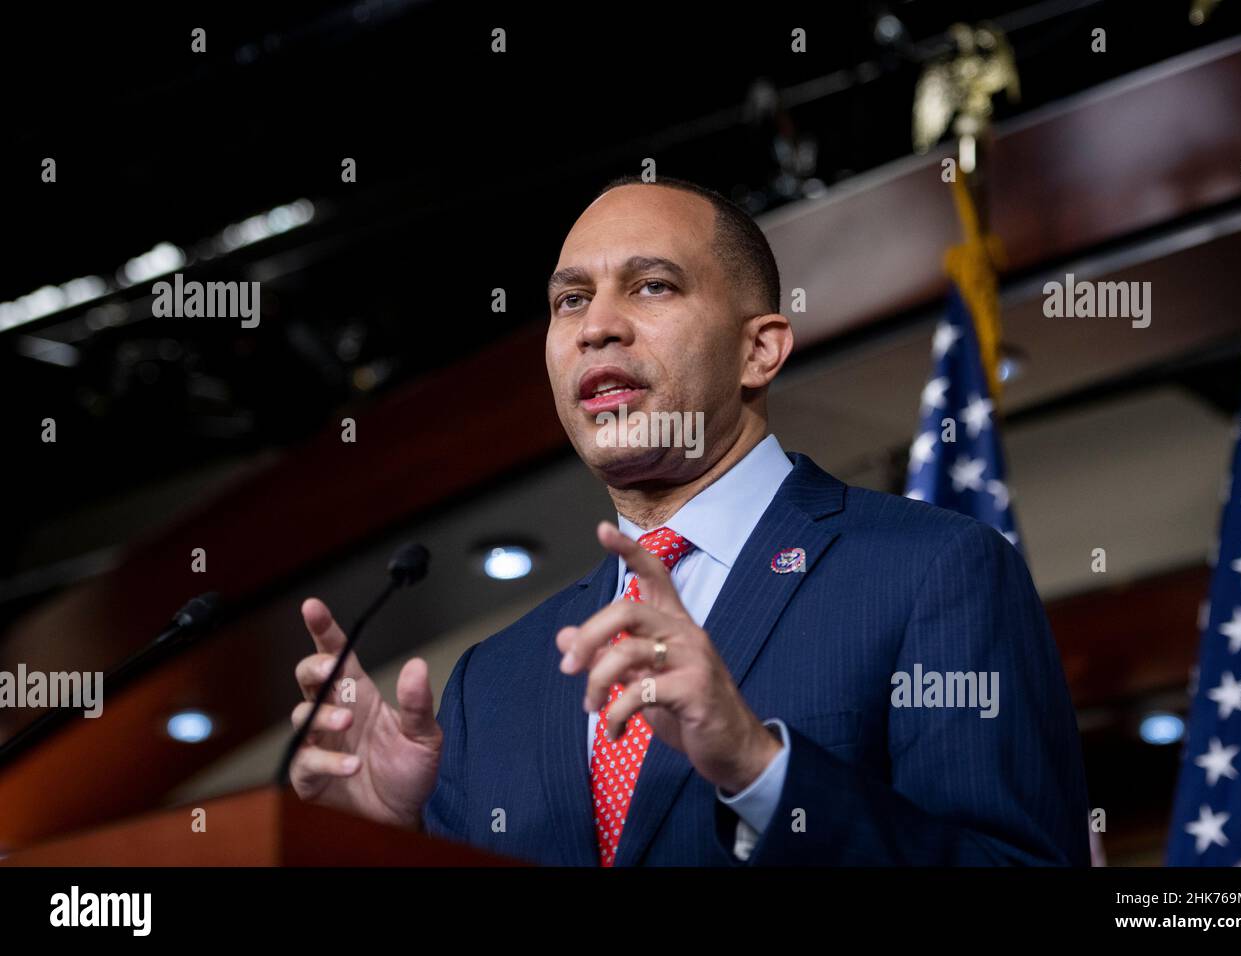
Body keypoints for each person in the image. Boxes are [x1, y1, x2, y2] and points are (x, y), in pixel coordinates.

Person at [288, 175, 1090, 865]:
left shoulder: (934, 571)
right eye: (571, 300)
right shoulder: (488, 685)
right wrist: (395, 841)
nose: (595, 325)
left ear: (761, 351)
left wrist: (756, 765)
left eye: (652, 286)